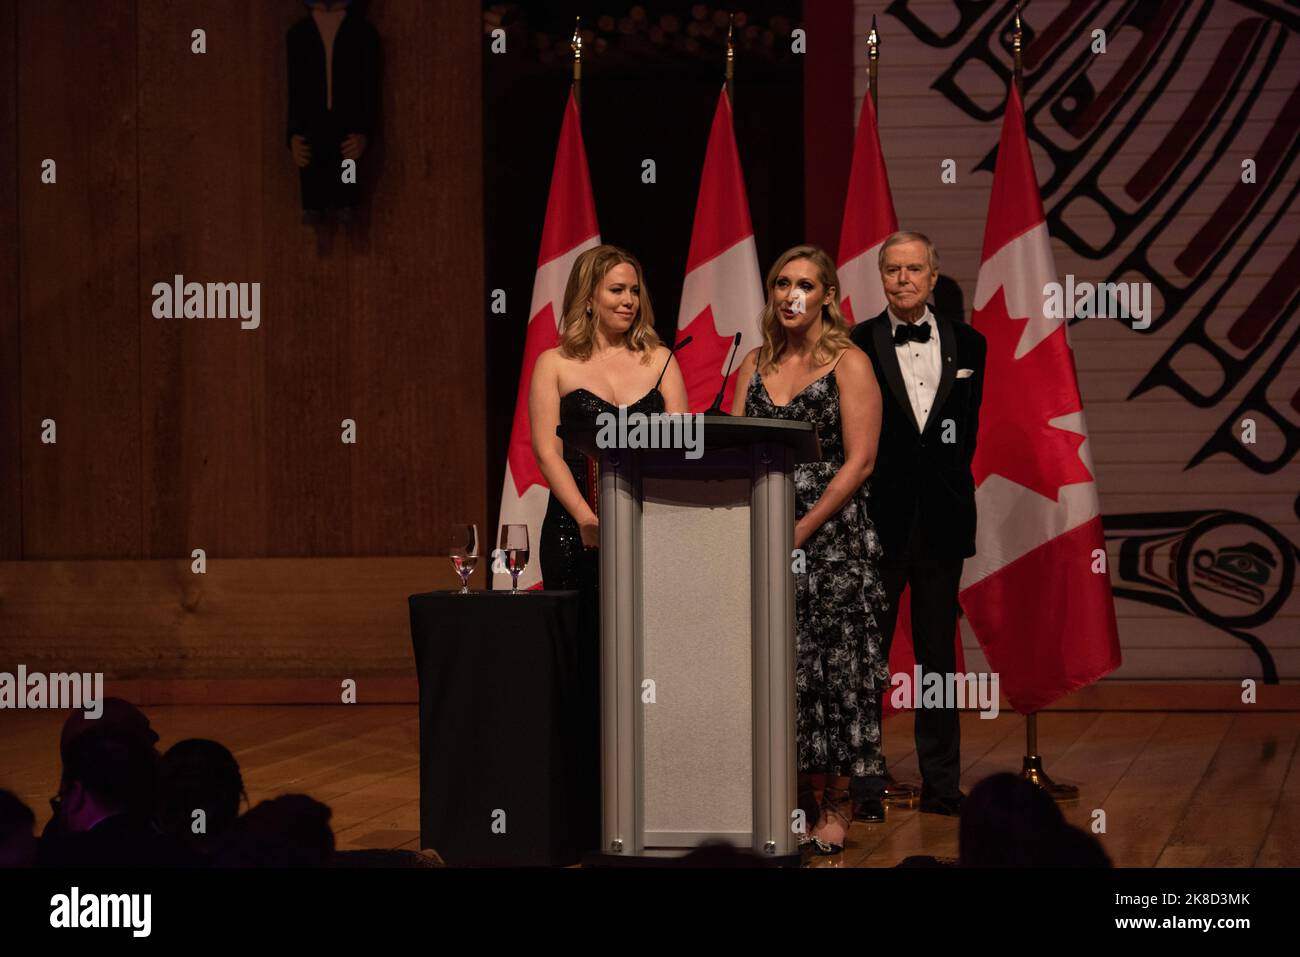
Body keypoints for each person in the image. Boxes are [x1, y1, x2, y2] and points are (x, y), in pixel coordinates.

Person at [732, 244, 887, 855]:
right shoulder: (751, 363)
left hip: (833, 542)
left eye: (805, 284)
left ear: (827, 296)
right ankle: (788, 797)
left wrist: (801, 527)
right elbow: (729, 446)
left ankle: (838, 801)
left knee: (836, 672)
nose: (791, 294)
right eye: (781, 283)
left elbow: (861, 461)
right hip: (760, 536)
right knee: (782, 672)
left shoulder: (849, 362)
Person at [848, 230, 986, 817]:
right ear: (880, 277)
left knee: (938, 659)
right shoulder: (855, 343)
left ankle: (942, 785)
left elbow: (963, 436)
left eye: (914, 270)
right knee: (865, 656)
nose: (903, 279)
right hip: (877, 521)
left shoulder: (973, 345)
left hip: (943, 521)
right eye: (892, 270)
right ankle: (863, 788)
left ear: (933, 277)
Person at [530, 244, 689, 596]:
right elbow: (547, 453)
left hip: (653, 526)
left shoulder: (661, 359)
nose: (629, 300)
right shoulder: (553, 364)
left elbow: (681, 445)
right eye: (617, 290)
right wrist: (585, 518)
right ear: (588, 298)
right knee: (580, 642)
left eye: (634, 291)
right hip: (574, 527)